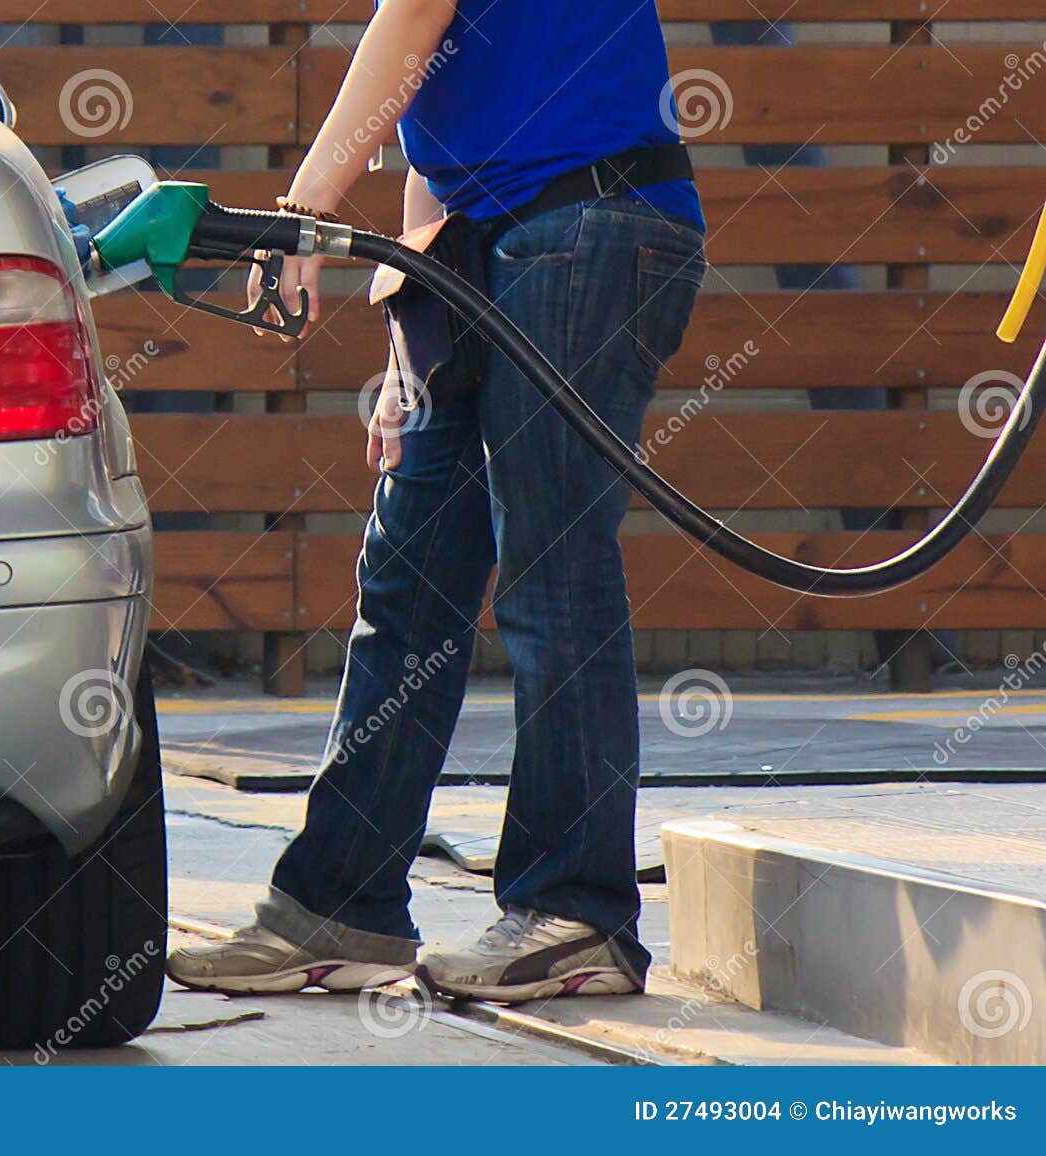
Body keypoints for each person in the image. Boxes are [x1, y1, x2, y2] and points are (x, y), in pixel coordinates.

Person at [167, 0, 706, 1004]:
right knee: (409, 575)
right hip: (483, 242)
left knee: (551, 573)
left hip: (588, 224)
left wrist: (303, 211)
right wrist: (406, 341)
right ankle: (337, 904)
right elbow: (434, 114)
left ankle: (575, 910)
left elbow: (413, 21)